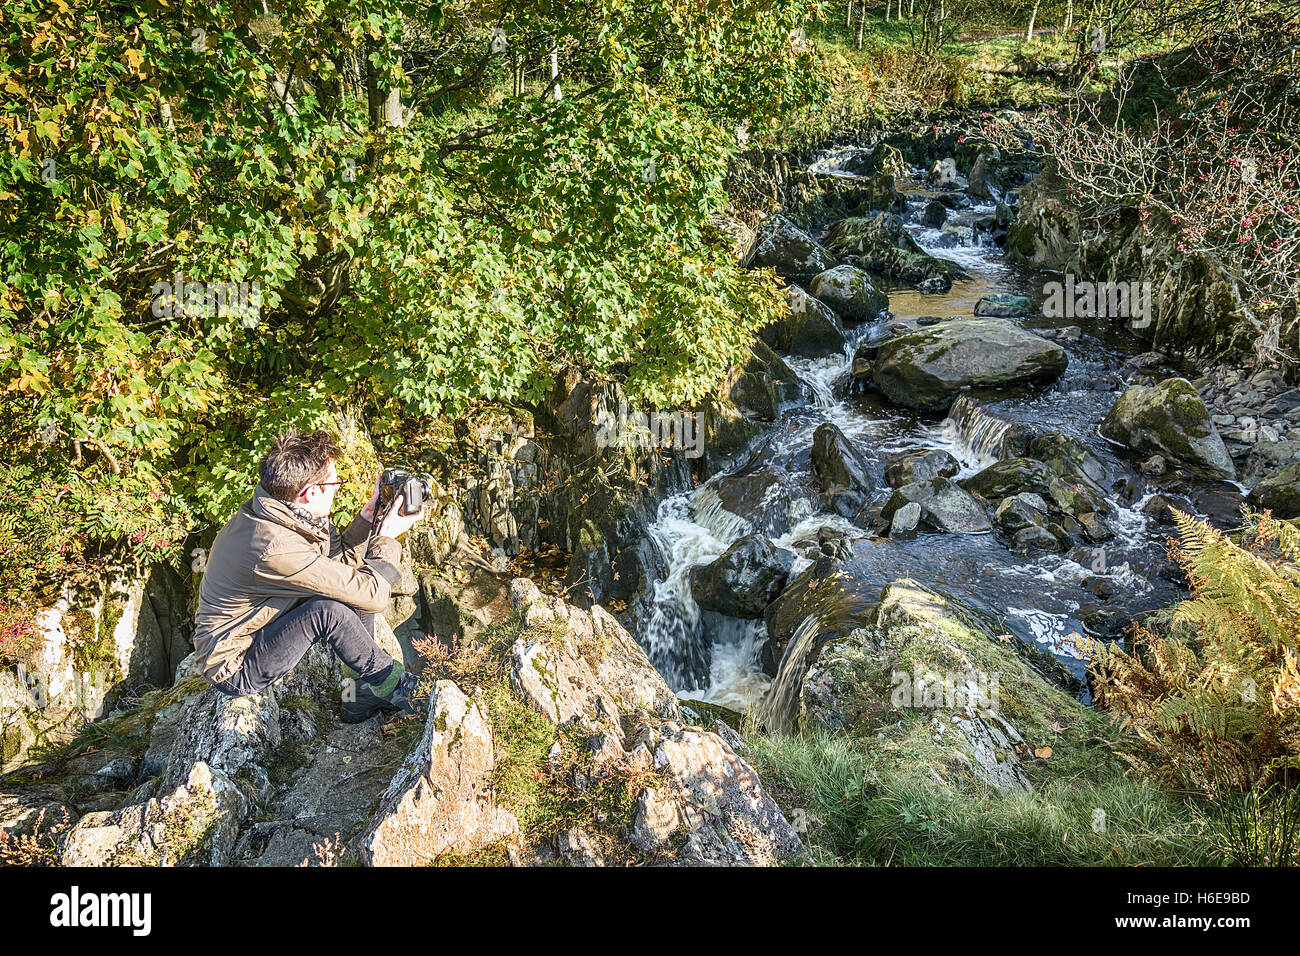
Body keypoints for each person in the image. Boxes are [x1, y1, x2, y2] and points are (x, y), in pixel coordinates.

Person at [192, 429, 426, 722]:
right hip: (235, 665)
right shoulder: (274, 547)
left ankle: (359, 694)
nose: (338, 489)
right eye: (334, 483)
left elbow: (340, 569)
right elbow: (375, 596)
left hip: (261, 628)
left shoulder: (282, 512)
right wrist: (388, 537)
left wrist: (368, 519)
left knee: (348, 595)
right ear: (310, 493)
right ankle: (396, 686)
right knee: (328, 612)